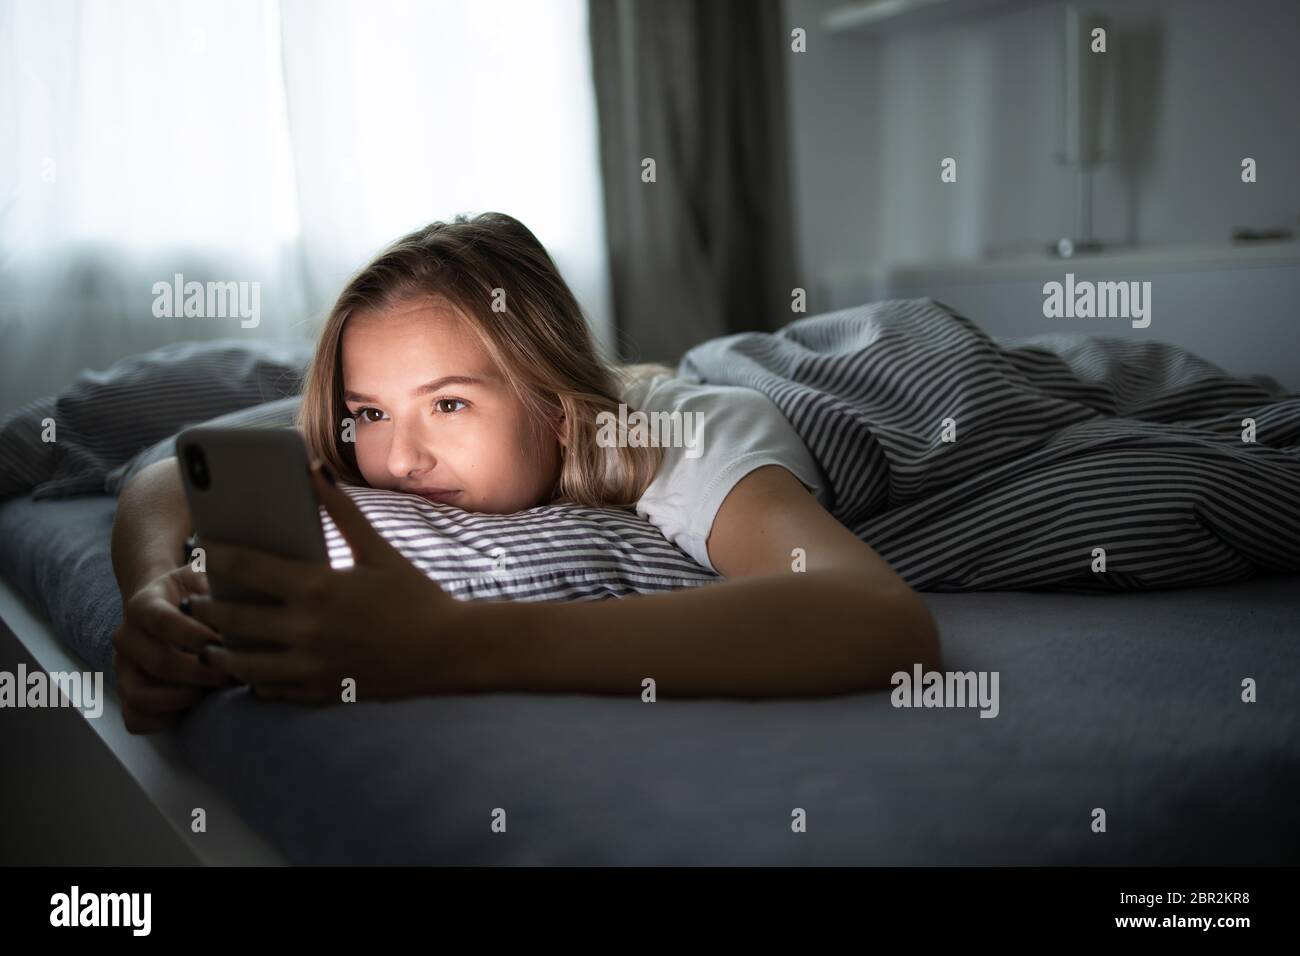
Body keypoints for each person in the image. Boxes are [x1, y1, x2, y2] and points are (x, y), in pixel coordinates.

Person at [110, 212, 940, 733]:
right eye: (368, 412)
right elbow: (168, 474)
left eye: (448, 406)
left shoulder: (669, 435)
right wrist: (150, 592)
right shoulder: (362, 437)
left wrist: (451, 644)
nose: (397, 459)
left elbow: (880, 621)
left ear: (555, 407)